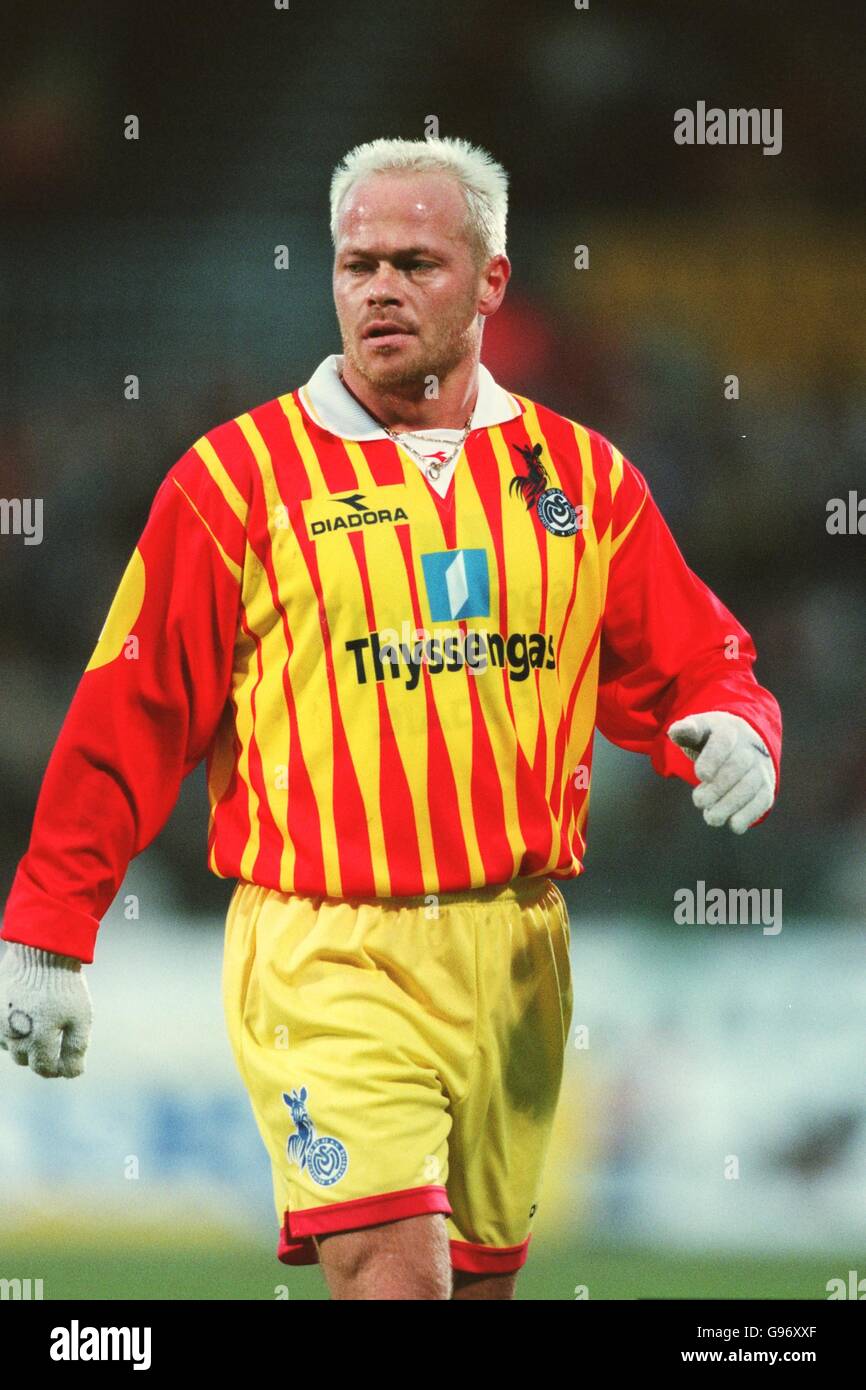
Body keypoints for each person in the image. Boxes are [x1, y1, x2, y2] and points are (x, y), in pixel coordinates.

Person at [0, 136, 781, 1301]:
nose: (378, 287)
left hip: (515, 951)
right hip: (326, 947)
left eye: (415, 262)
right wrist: (48, 931)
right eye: (356, 261)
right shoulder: (234, 482)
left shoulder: (581, 481)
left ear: (490, 280)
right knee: (391, 1281)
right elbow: (132, 711)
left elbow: (690, 658)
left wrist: (736, 722)